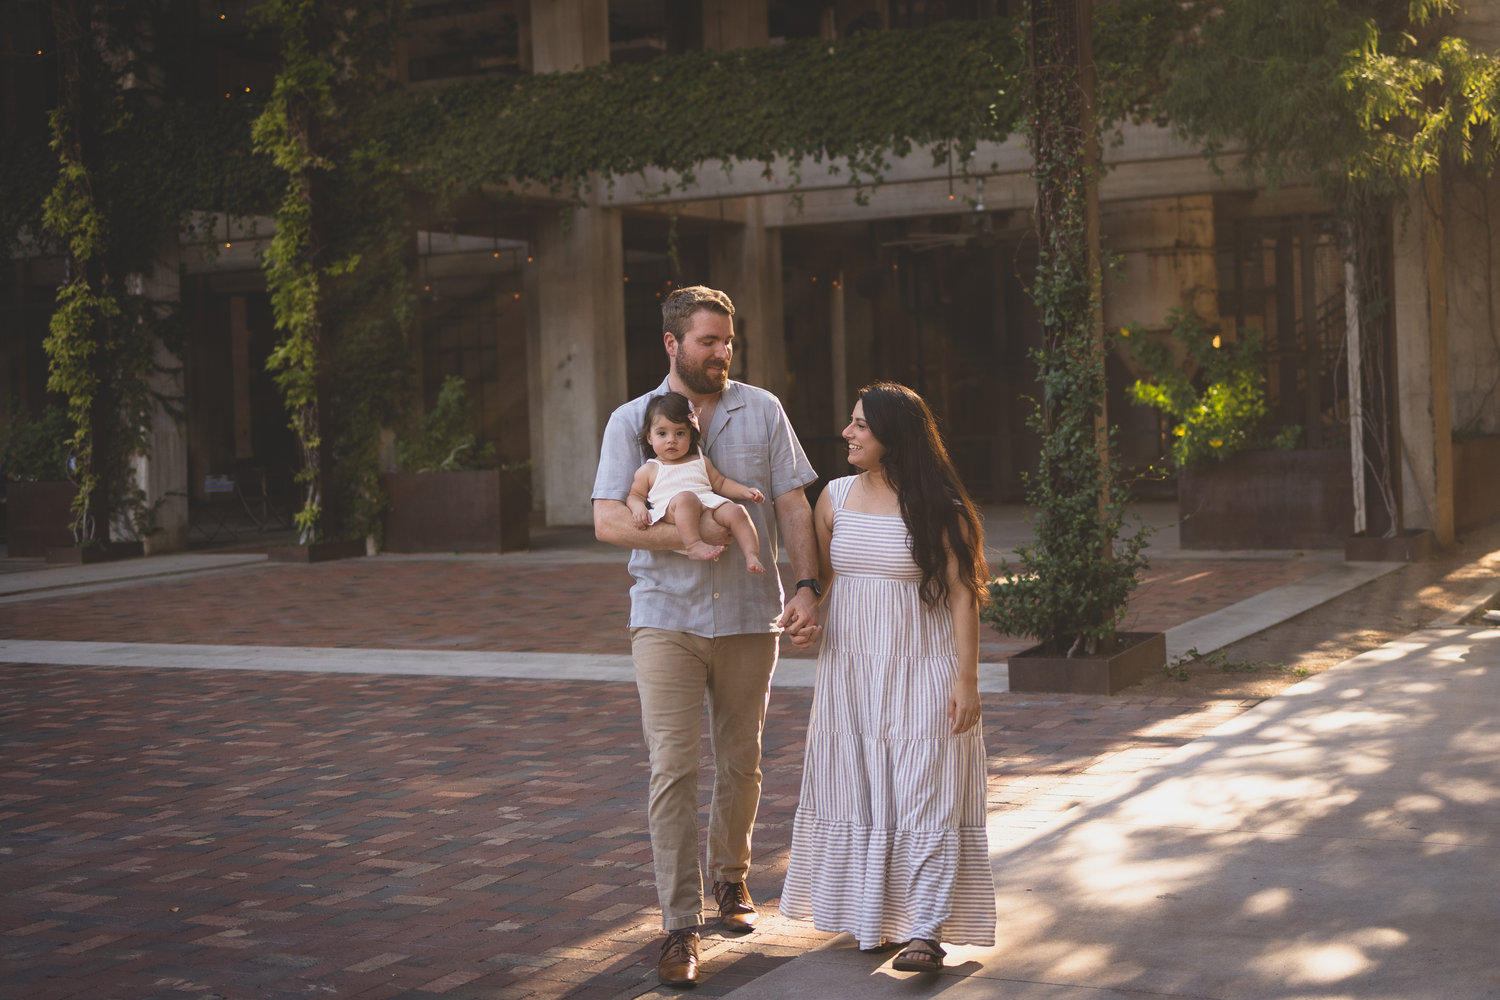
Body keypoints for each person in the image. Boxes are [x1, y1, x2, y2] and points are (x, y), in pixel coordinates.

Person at [592, 285, 820, 987]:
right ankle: (679, 924)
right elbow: (608, 521)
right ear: (672, 344)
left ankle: (731, 880)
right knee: (673, 767)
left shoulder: (764, 410)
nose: (722, 353)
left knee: (742, 760)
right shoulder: (631, 420)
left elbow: (791, 501)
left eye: (728, 341)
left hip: (752, 614)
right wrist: (686, 535)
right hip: (665, 615)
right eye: (707, 342)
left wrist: (810, 585)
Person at [780, 380, 996, 973]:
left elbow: (962, 597)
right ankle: (873, 915)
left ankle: (925, 928)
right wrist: (805, 608)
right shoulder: (836, 496)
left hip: (924, 669)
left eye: (860, 425)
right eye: (850, 423)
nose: (847, 433)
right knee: (863, 787)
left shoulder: (939, 509)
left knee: (925, 790)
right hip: (852, 672)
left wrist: (967, 680)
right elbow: (822, 579)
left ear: (893, 437)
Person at [627, 390, 767, 573]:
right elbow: (635, 495)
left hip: (707, 504)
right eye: (662, 433)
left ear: (690, 435)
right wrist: (638, 508)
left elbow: (721, 483)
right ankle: (694, 545)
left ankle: (751, 555)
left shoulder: (700, 460)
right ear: (649, 437)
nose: (671, 440)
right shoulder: (649, 469)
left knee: (737, 511)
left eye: (680, 433)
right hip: (673, 509)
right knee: (686, 498)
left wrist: (744, 492)